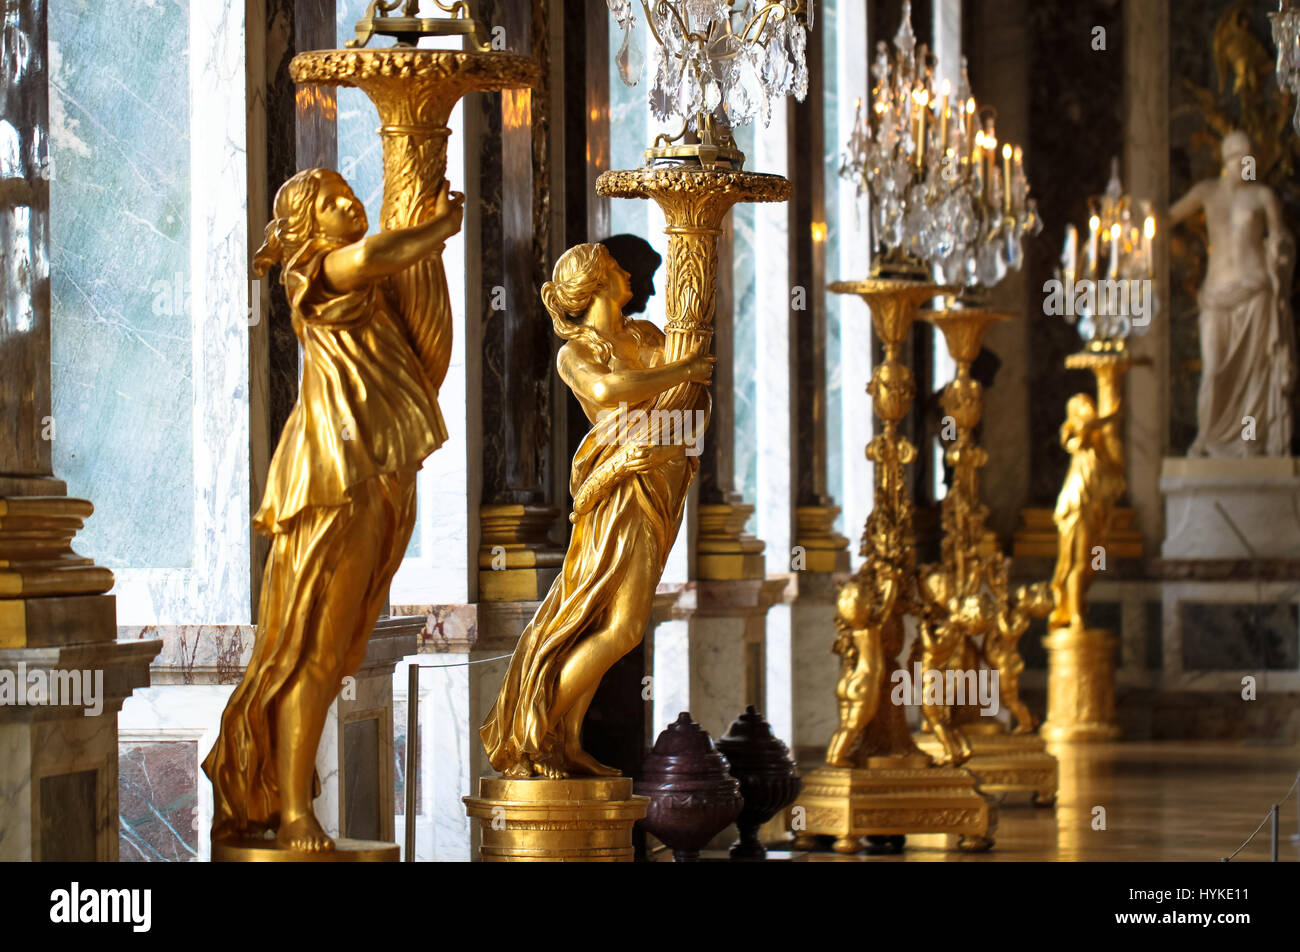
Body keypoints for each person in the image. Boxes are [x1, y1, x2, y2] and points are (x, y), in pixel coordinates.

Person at [203, 168, 463, 851]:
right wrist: (437, 231)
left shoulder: (359, 279)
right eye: (330, 201)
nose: (350, 202)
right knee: (310, 653)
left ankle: (288, 802)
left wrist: (428, 236)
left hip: (367, 474)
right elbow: (378, 254)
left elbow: (412, 337)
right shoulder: (315, 271)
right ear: (306, 227)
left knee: (332, 650)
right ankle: (292, 811)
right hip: (331, 480)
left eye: (350, 191)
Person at [480, 242, 713, 778]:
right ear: (599, 283)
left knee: (606, 622)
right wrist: (683, 371)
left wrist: (688, 359)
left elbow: (686, 398)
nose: (628, 272)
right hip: (617, 486)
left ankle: (566, 741)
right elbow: (610, 389)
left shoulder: (649, 336)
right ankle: (530, 732)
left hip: (658, 478)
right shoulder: (575, 353)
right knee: (619, 625)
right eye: (616, 267)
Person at [1170, 130, 1296, 457]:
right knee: (1213, 370)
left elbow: (1279, 236)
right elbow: (1165, 217)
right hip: (1216, 295)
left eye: (1250, 157)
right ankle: (1206, 438)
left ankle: (1251, 439)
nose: (1247, 163)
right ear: (1227, 160)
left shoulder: (1263, 196)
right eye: (1241, 158)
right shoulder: (1207, 193)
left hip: (1256, 292)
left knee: (1255, 376)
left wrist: (1280, 249)